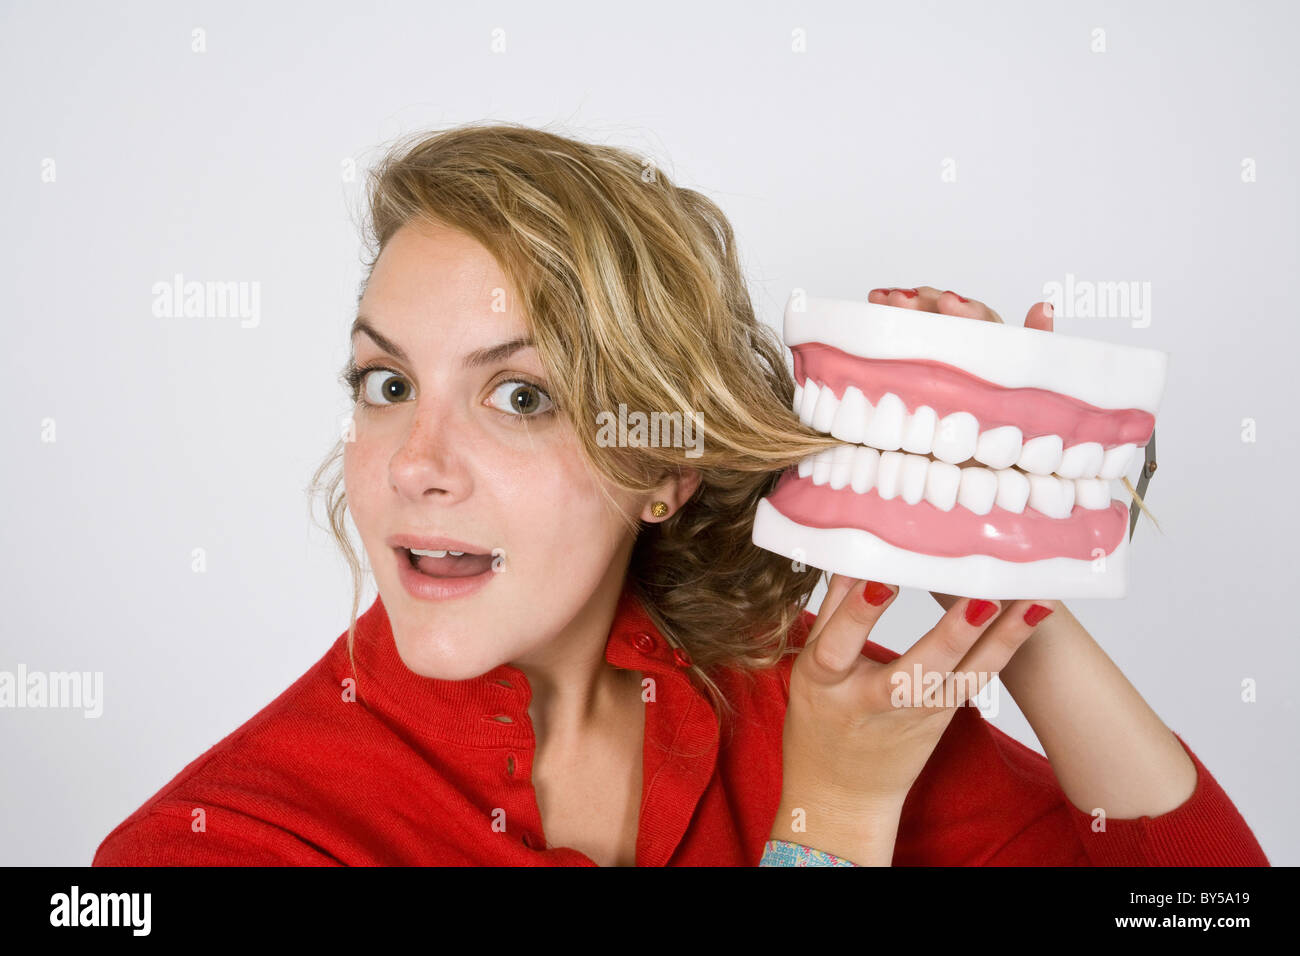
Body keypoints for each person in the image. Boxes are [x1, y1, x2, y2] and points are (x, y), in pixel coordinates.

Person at [92, 123, 1268, 866]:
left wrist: (1004, 556)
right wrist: (830, 826)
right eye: (386, 381)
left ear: (663, 467)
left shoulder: (795, 695)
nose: (414, 461)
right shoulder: (228, 840)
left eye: (520, 397)